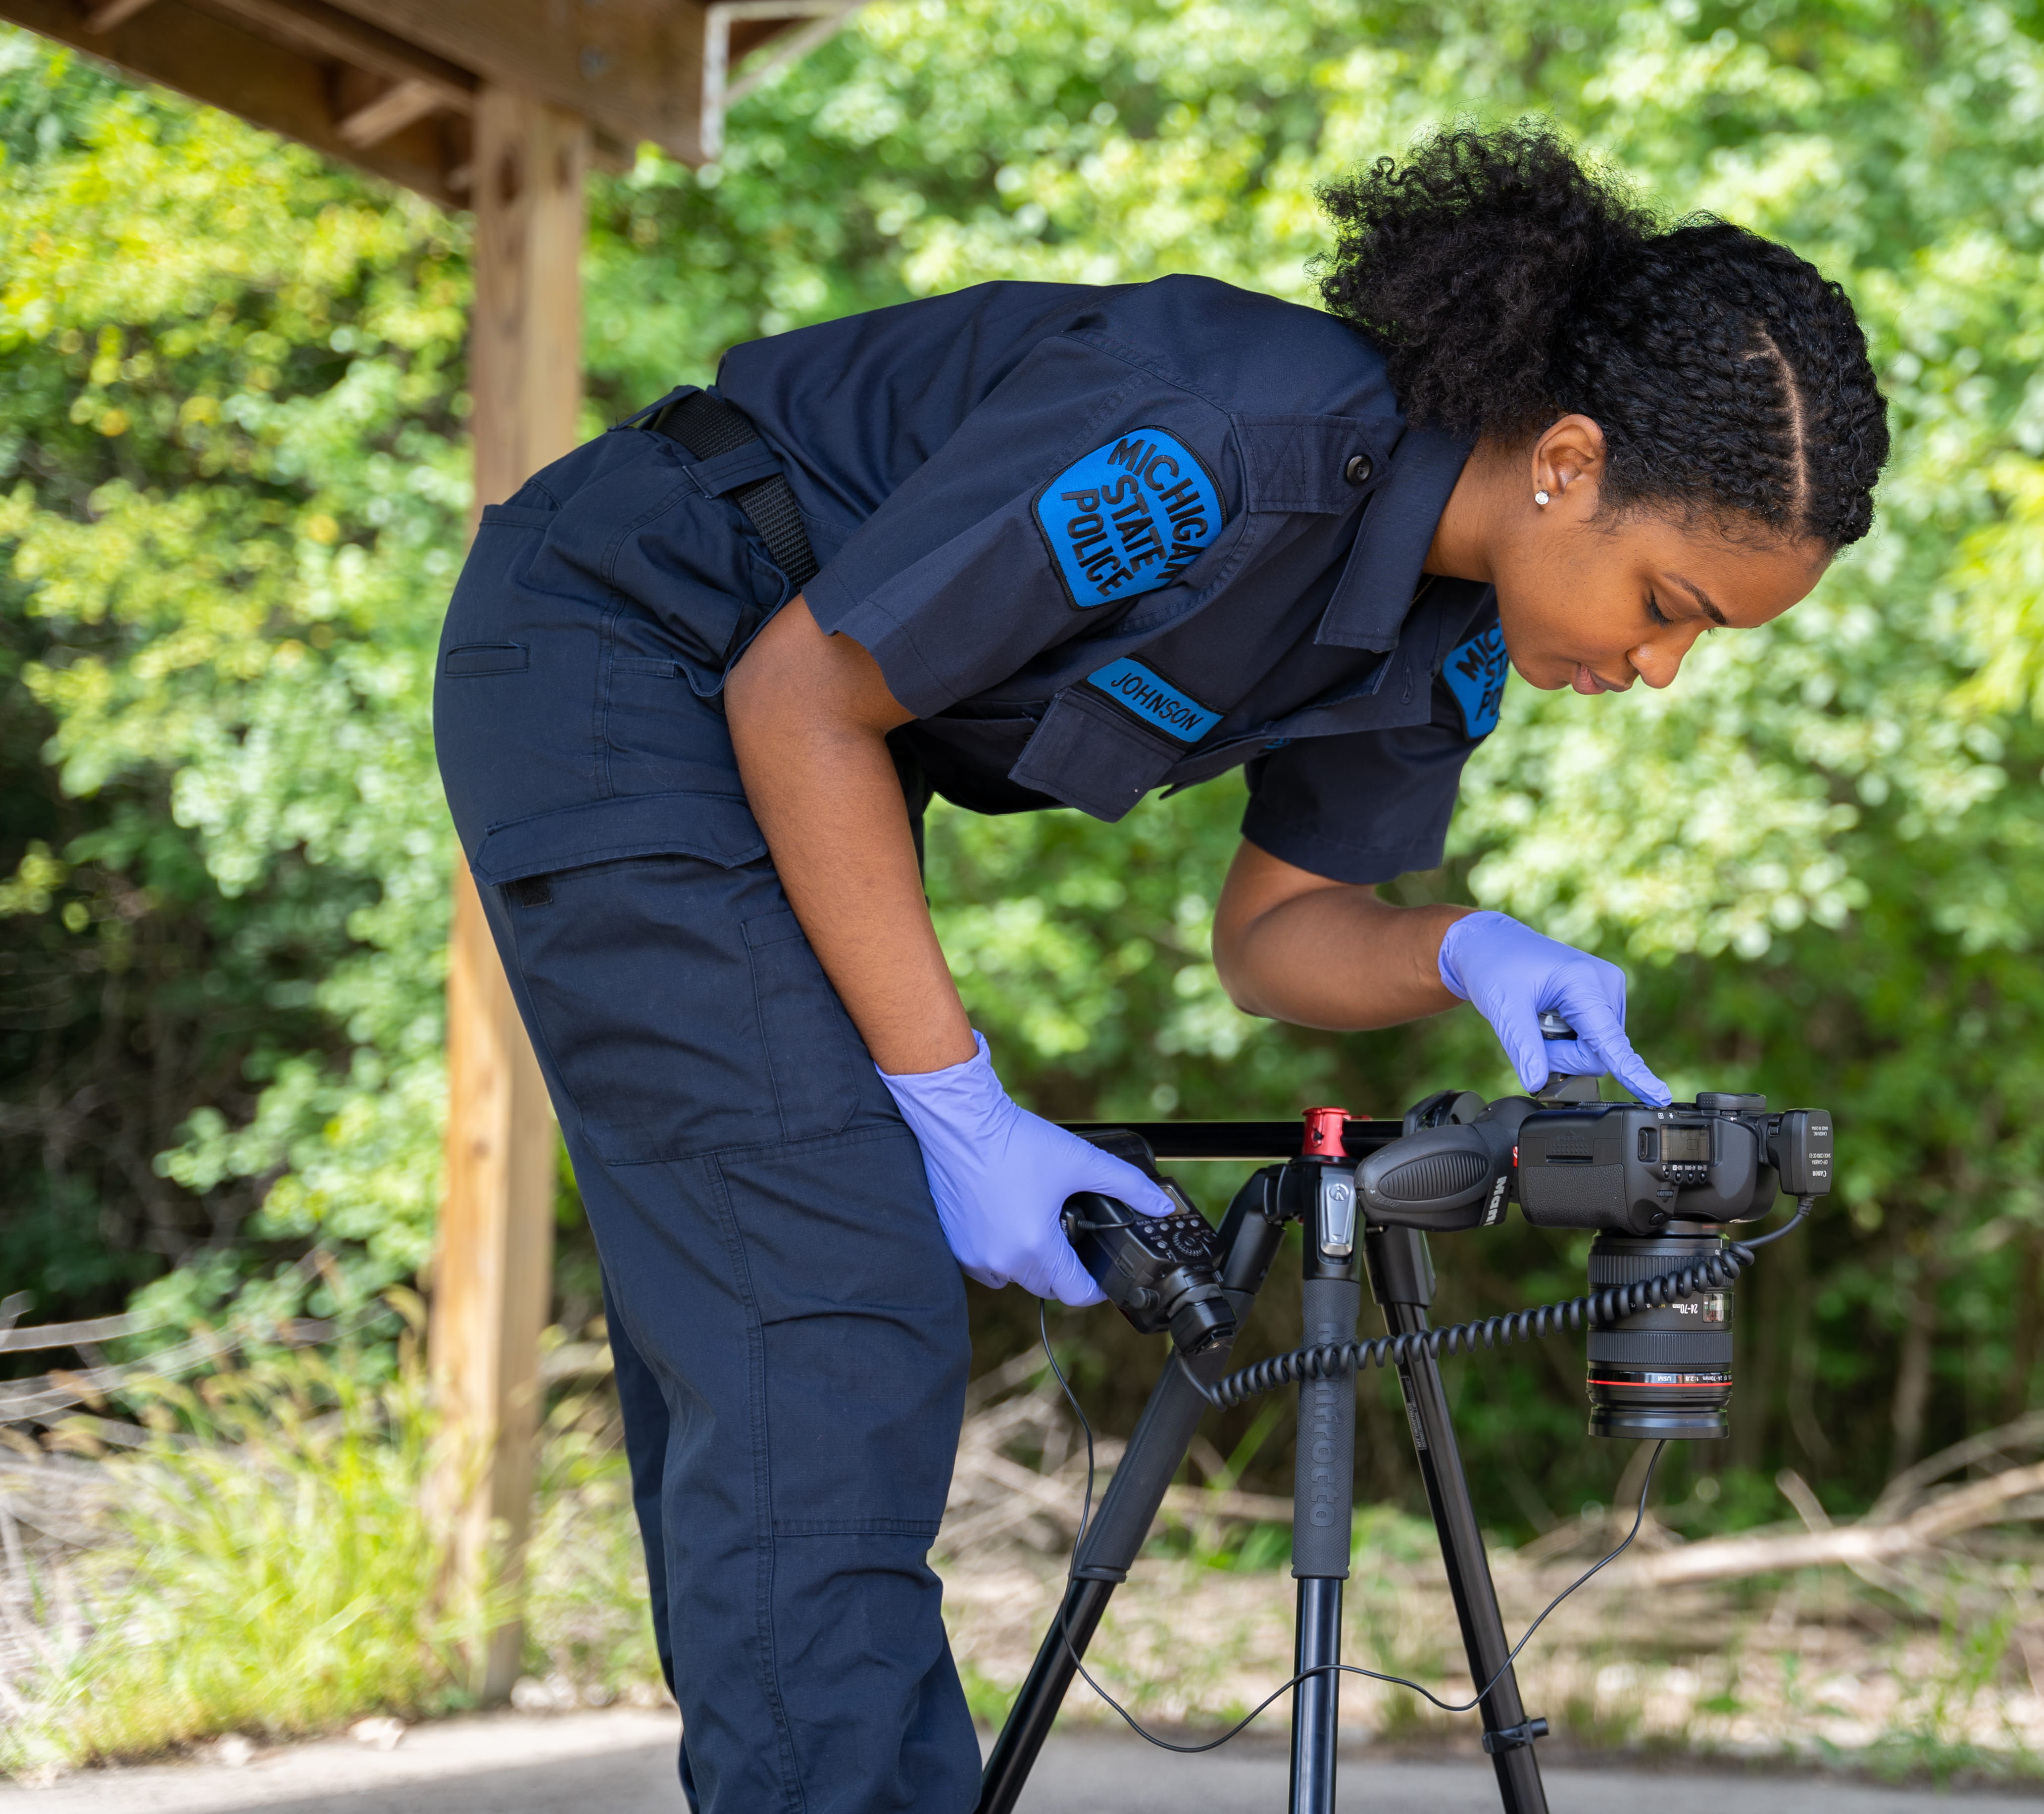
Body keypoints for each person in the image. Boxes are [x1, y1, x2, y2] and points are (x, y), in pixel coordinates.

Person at [431, 124, 1887, 1814]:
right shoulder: (1218, 437)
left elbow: (1273, 938)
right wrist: (959, 1108)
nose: (1659, 668)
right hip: (635, 634)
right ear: (1565, 459)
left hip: (783, 720)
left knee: (794, 1306)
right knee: (826, 1294)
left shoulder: (1454, 636)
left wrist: (1465, 949)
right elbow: (800, 698)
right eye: (1668, 602)